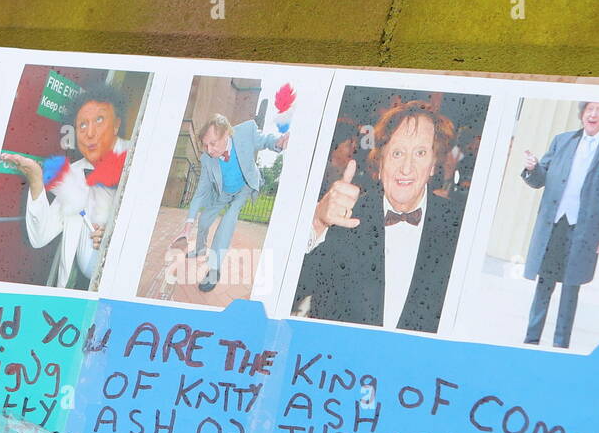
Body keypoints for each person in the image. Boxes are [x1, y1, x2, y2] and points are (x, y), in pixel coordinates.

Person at [299, 100, 460, 333]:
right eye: (397, 153)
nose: (407, 167)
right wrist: (317, 222)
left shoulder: (458, 225)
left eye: (420, 153)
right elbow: (288, 293)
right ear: (380, 159)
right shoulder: (343, 217)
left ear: (434, 164)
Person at [520, 101, 599, 349]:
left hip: (585, 229)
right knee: (544, 283)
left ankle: (561, 346)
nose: (592, 114)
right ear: (582, 114)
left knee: (571, 288)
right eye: (588, 109)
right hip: (555, 224)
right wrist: (532, 168)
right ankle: (530, 340)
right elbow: (539, 180)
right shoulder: (562, 141)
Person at [2, 82, 130, 290]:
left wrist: (116, 237)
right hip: (82, 288)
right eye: (82, 125)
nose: (90, 133)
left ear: (116, 124)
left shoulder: (138, 161)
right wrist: (36, 179)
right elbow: (40, 236)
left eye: (99, 120)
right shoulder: (74, 172)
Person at [185, 113, 288, 293]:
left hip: (244, 188)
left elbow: (265, 140)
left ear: (226, 134)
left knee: (229, 218)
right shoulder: (207, 158)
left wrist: (278, 142)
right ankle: (200, 250)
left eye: (213, 144)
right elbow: (201, 191)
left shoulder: (245, 132)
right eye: (206, 144)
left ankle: (214, 269)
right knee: (203, 222)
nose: (209, 150)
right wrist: (189, 221)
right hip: (223, 192)